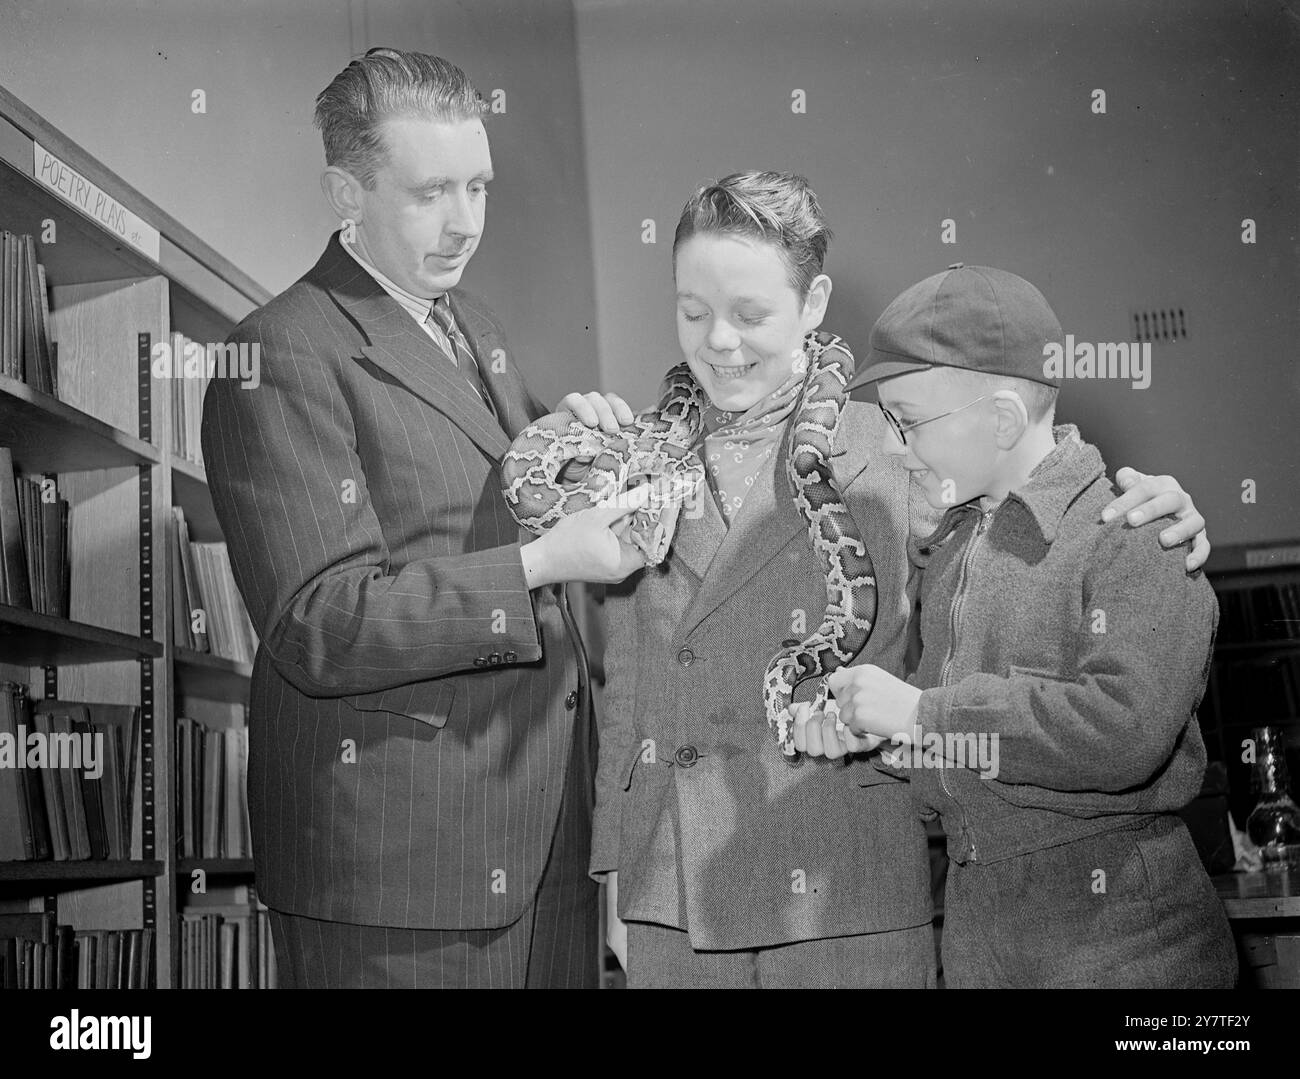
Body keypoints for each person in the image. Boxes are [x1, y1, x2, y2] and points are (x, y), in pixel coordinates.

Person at [589, 172, 1213, 988]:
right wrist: (615, 875)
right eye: (692, 311)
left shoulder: (900, 439)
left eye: (749, 313)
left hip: (845, 896)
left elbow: (1024, 487)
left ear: (813, 304)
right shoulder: (637, 455)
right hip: (673, 889)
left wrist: (1157, 509)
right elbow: (628, 678)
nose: (719, 343)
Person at [201, 48, 639, 988]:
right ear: (344, 194)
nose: (466, 224)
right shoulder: (281, 352)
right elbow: (320, 621)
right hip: (403, 869)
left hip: (542, 837)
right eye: (430, 192)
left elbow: (463, 498)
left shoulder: (472, 328)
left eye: (479, 186)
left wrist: (555, 445)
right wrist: (537, 563)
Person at [819, 264, 1236, 987]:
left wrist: (922, 713)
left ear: (1004, 419)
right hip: (985, 941)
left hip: (1124, 950)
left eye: (908, 421)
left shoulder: (1134, 534)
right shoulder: (953, 549)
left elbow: (1121, 732)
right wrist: (880, 738)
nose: (895, 447)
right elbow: (960, 761)